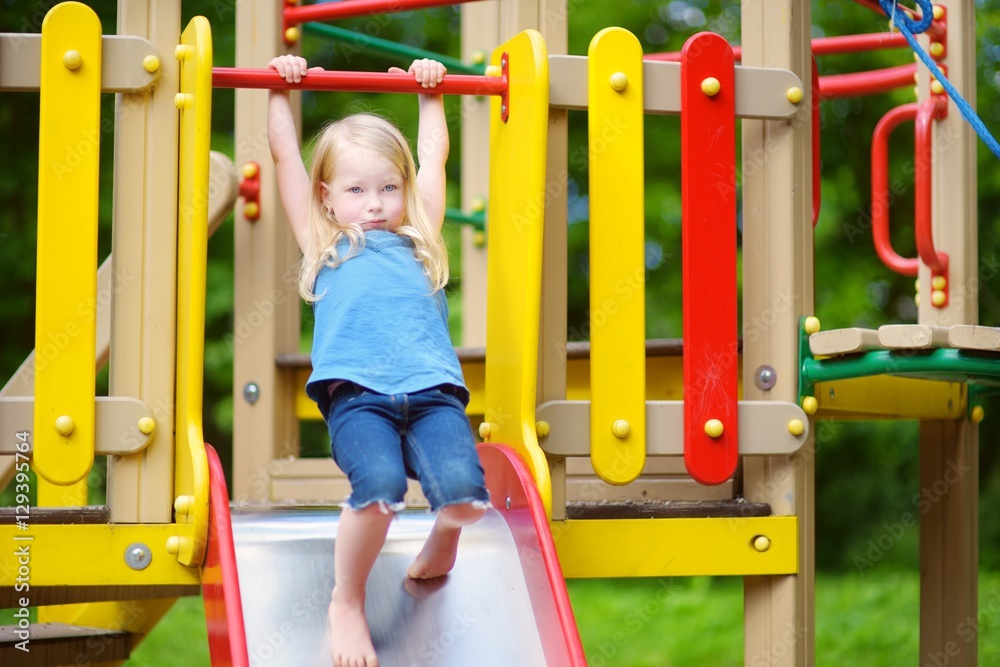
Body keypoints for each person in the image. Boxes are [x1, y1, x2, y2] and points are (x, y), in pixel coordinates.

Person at [267, 55, 490, 667]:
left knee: (468, 497)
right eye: (357, 190)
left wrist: (430, 93)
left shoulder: (422, 240)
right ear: (329, 198)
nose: (375, 202)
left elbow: (435, 157)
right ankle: (348, 602)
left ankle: (442, 539)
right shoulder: (325, 245)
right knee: (381, 488)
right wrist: (280, 90)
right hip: (358, 397)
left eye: (389, 187)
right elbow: (287, 159)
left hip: (433, 394)